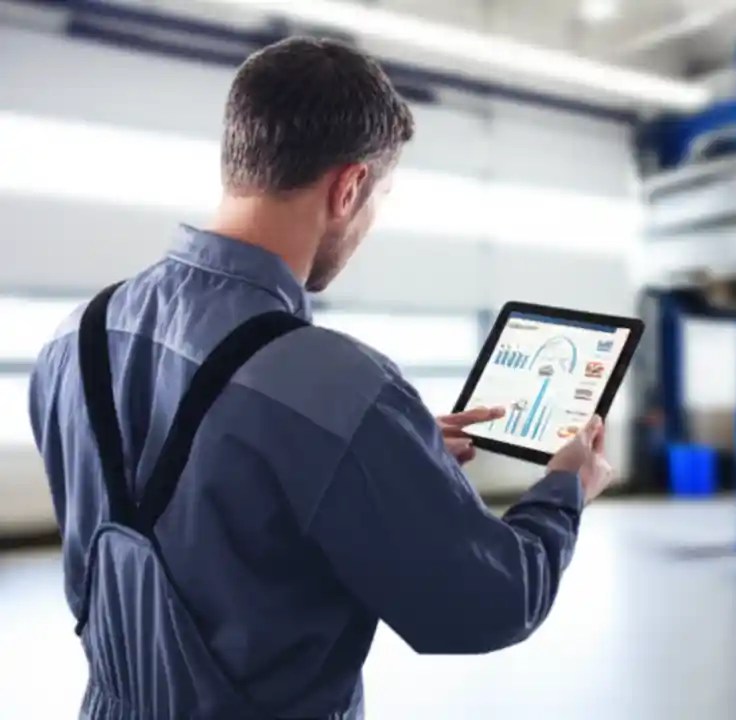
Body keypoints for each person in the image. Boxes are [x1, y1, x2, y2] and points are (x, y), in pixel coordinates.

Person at [27, 37, 613, 719]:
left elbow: (202, 494)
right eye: (379, 198)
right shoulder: (337, 386)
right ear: (350, 186)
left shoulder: (74, 335)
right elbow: (487, 605)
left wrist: (391, 449)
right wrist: (566, 488)